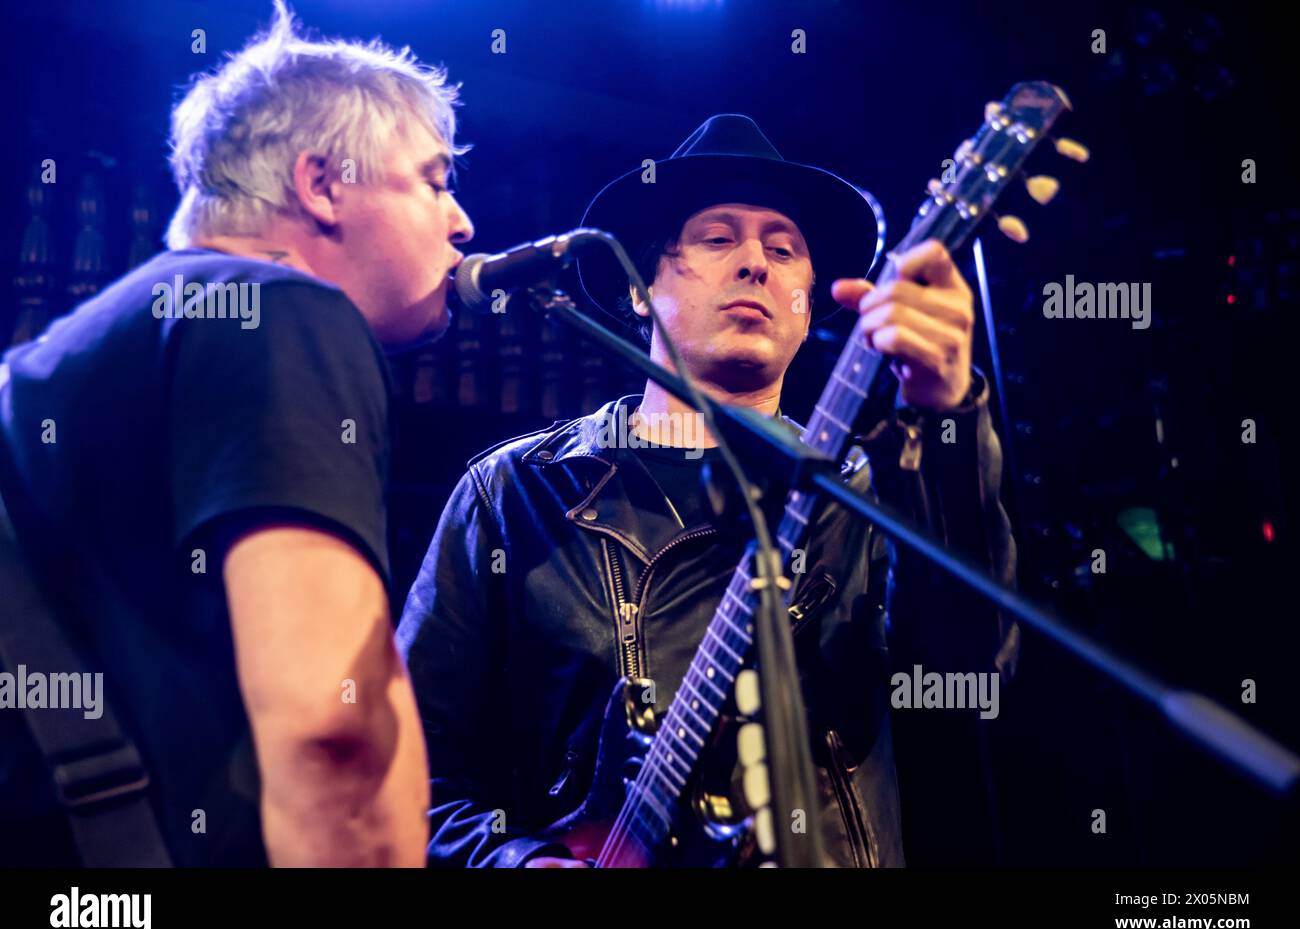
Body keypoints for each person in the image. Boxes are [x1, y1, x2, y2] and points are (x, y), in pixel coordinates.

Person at [397, 114, 1018, 867]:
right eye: (718, 239)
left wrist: (949, 415)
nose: (756, 263)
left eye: (784, 249)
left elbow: (967, 675)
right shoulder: (514, 493)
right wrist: (519, 863)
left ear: (812, 301)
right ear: (641, 290)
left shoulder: (868, 493)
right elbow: (408, 775)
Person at [0, 1, 473, 866]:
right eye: (435, 181)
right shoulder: (283, 310)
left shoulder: (92, 346)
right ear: (322, 184)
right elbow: (332, 730)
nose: (462, 222)